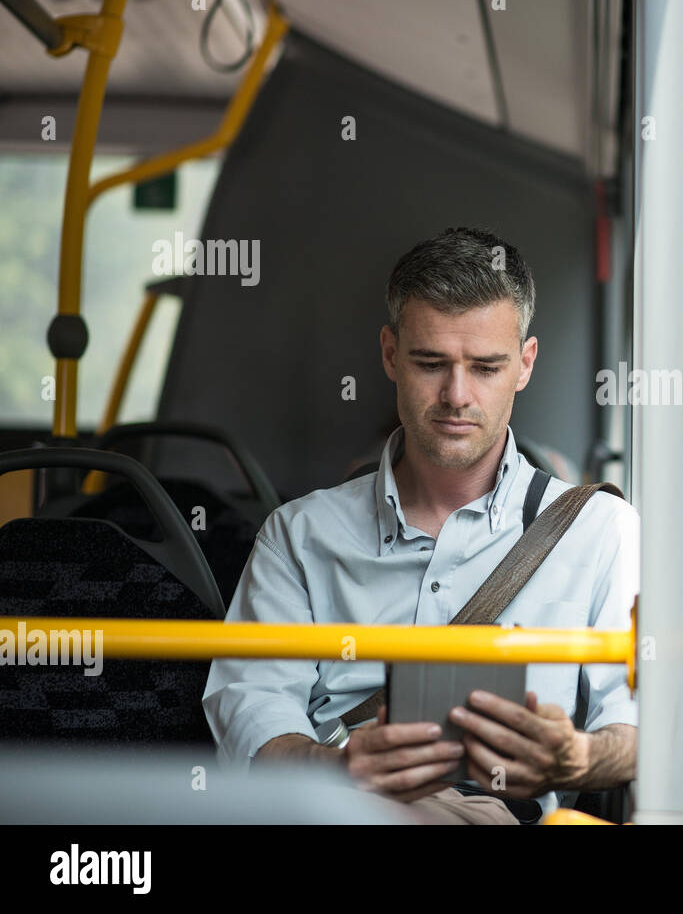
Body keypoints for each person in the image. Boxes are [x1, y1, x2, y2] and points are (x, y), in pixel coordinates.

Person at [203, 227, 639, 823]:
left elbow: (643, 727)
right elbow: (251, 720)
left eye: (486, 367)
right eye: (431, 363)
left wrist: (576, 758)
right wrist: (335, 768)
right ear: (389, 355)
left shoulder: (600, 530)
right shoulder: (297, 536)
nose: (457, 396)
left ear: (525, 364)